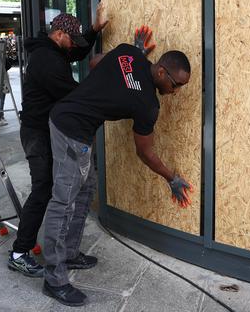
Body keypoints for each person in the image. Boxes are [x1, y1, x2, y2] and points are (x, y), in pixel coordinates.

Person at [41, 26, 192, 306]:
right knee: (63, 204)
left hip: (73, 124)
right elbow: (144, 153)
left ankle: (70, 253)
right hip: (70, 131)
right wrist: (171, 177)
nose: (177, 92)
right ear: (161, 72)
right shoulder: (148, 104)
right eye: (177, 85)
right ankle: (54, 279)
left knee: (85, 191)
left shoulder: (129, 53)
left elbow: (96, 62)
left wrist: (132, 57)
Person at [7, 3, 108, 278]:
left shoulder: (53, 49)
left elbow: (79, 49)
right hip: (37, 134)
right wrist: (104, 95)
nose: (73, 46)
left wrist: (95, 29)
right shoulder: (47, 61)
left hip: (45, 131)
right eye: (70, 39)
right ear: (60, 34)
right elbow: (72, 92)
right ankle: (19, 252)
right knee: (43, 189)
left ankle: (57, 248)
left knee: (51, 189)